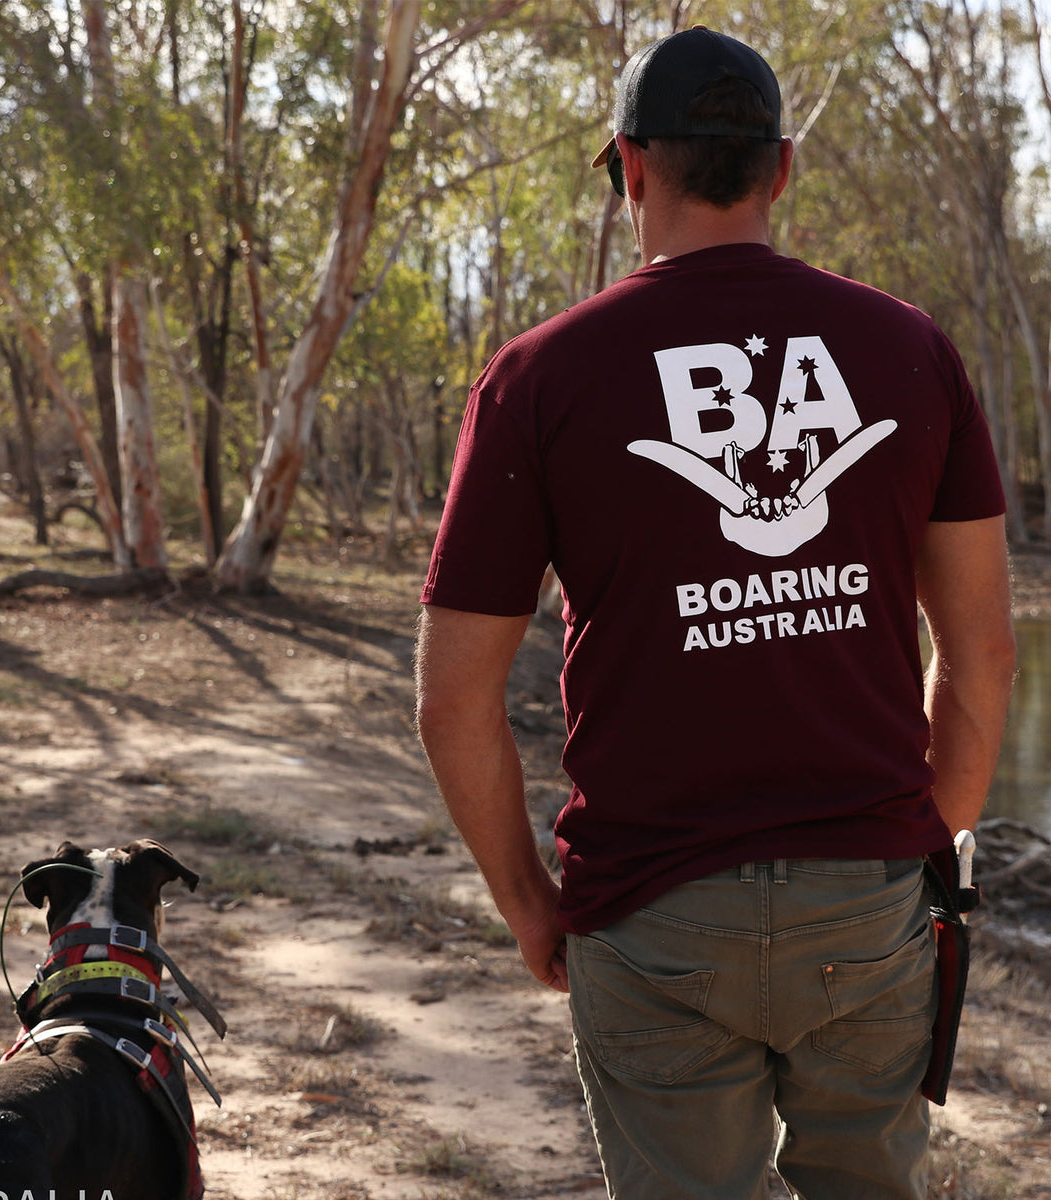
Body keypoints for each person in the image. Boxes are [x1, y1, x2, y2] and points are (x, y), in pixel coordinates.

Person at [413, 25, 1016, 1200]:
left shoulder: (540, 377)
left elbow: (450, 699)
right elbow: (983, 649)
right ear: (782, 168)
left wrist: (531, 904)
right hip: (872, 901)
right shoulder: (910, 350)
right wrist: (913, 843)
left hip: (655, 913)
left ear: (632, 168)